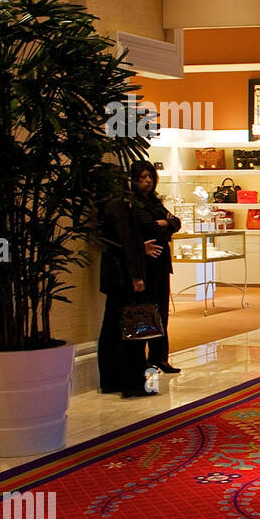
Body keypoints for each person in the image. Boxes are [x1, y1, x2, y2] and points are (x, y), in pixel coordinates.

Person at [97, 168, 160, 397]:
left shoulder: (105, 205)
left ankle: (112, 380)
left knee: (112, 328)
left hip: (113, 274)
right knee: (130, 330)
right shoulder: (120, 207)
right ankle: (132, 382)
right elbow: (126, 242)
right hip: (123, 275)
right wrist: (136, 276)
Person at [128, 161, 182, 374]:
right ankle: (141, 358)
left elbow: (176, 223)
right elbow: (149, 227)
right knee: (144, 310)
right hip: (145, 265)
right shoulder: (133, 203)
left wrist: (165, 224)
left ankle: (159, 356)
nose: (147, 181)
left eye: (150, 176)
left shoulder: (154, 202)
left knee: (161, 311)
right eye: (142, 177)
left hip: (160, 264)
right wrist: (162, 224)